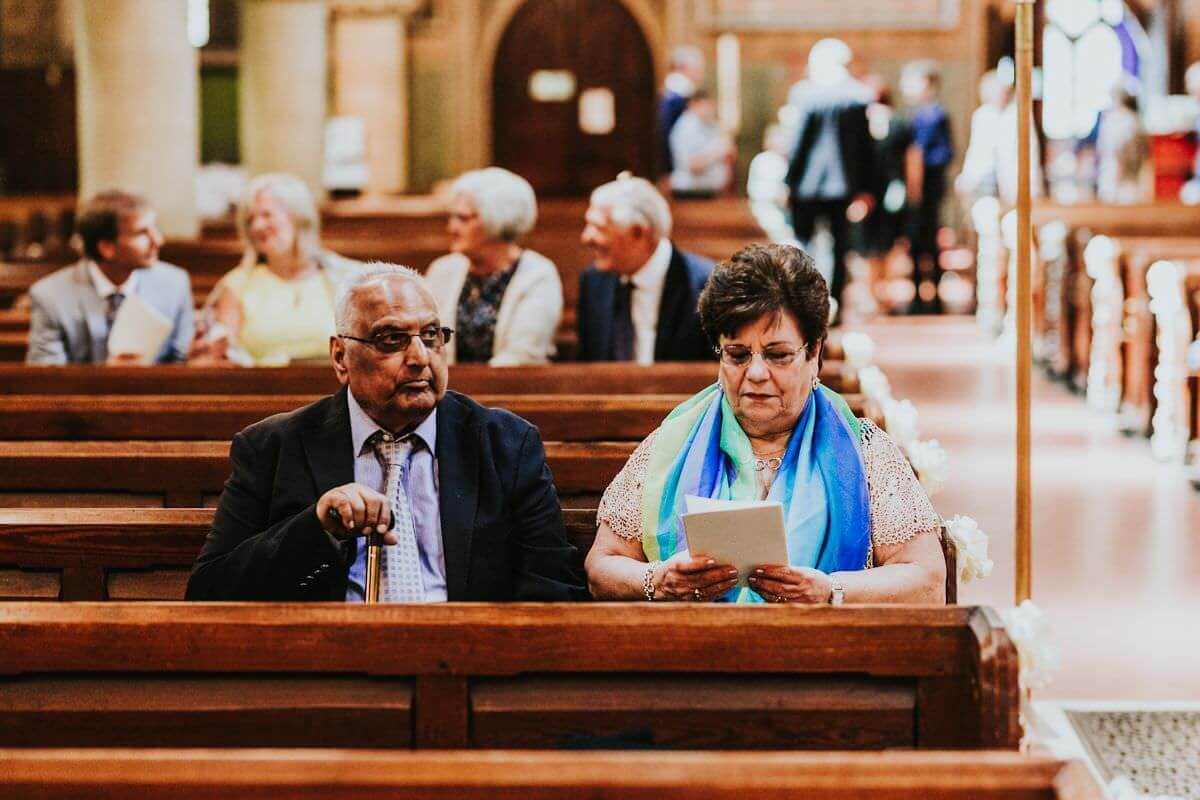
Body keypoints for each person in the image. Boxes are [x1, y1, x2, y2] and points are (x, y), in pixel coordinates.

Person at [186, 263, 584, 602]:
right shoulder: (272, 447)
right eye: (391, 340)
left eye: (431, 336)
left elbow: (554, 586)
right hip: (328, 668)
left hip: (468, 658)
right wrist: (316, 527)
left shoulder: (506, 443)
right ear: (340, 356)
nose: (419, 358)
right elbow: (208, 590)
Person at [585, 243, 945, 604]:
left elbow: (926, 580)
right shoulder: (673, 444)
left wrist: (830, 592)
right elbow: (602, 566)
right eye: (738, 355)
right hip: (692, 653)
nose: (756, 373)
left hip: (827, 654)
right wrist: (657, 580)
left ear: (814, 352)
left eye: (777, 355)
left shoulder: (865, 453)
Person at [189, 173, 359, 366]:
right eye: (251, 220)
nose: (257, 226)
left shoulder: (344, 278)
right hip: (260, 389)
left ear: (298, 218)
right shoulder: (237, 284)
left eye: (266, 215)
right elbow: (223, 358)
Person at [26, 189, 193, 365]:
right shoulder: (49, 295)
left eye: (154, 229)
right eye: (142, 233)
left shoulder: (175, 283)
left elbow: (180, 361)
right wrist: (107, 376)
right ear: (107, 247)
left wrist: (196, 359)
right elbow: (47, 378)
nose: (158, 240)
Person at [424, 168, 563, 366]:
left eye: (462, 218)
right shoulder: (443, 271)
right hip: (444, 392)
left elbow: (523, 357)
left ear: (496, 220)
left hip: (512, 392)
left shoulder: (538, 275)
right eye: (451, 217)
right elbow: (426, 345)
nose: (451, 228)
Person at [576, 173, 713, 363]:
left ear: (638, 233)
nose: (586, 238)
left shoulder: (706, 286)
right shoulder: (593, 282)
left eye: (598, 228)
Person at [784, 39, 876, 311]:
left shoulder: (804, 94)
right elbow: (865, 148)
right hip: (844, 185)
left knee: (804, 243)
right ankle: (833, 300)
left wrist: (789, 180)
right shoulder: (858, 95)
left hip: (807, 184)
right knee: (840, 245)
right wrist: (865, 188)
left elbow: (798, 143)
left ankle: (803, 298)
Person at [900, 59, 953, 313]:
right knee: (914, 242)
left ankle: (935, 294)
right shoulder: (912, 115)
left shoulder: (937, 115)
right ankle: (917, 292)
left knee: (930, 241)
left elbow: (945, 152)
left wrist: (922, 163)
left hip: (929, 189)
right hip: (913, 188)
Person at [956, 70, 1010, 201]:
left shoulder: (1013, 115)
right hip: (983, 180)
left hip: (1005, 181)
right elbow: (979, 150)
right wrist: (968, 176)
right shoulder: (984, 115)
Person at [668, 90, 734, 198]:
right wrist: (721, 151)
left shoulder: (710, 125)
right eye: (706, 105)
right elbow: (693, 166)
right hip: (692, 193)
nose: (711, 109)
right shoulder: (686, 128)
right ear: (694, 104)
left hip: (709, 191)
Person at [1095, 86, 1149, 205]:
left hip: (1122, 178)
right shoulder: (1132, 120)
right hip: (1120, 176)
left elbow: (1121, 152)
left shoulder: (1122, 121)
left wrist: (1118, 176)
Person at [658, 46, 706, 178]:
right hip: (679, 170)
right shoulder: (677, 99)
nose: (701, 72)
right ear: (684, 67)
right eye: (698, 67)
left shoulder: (674, 95)